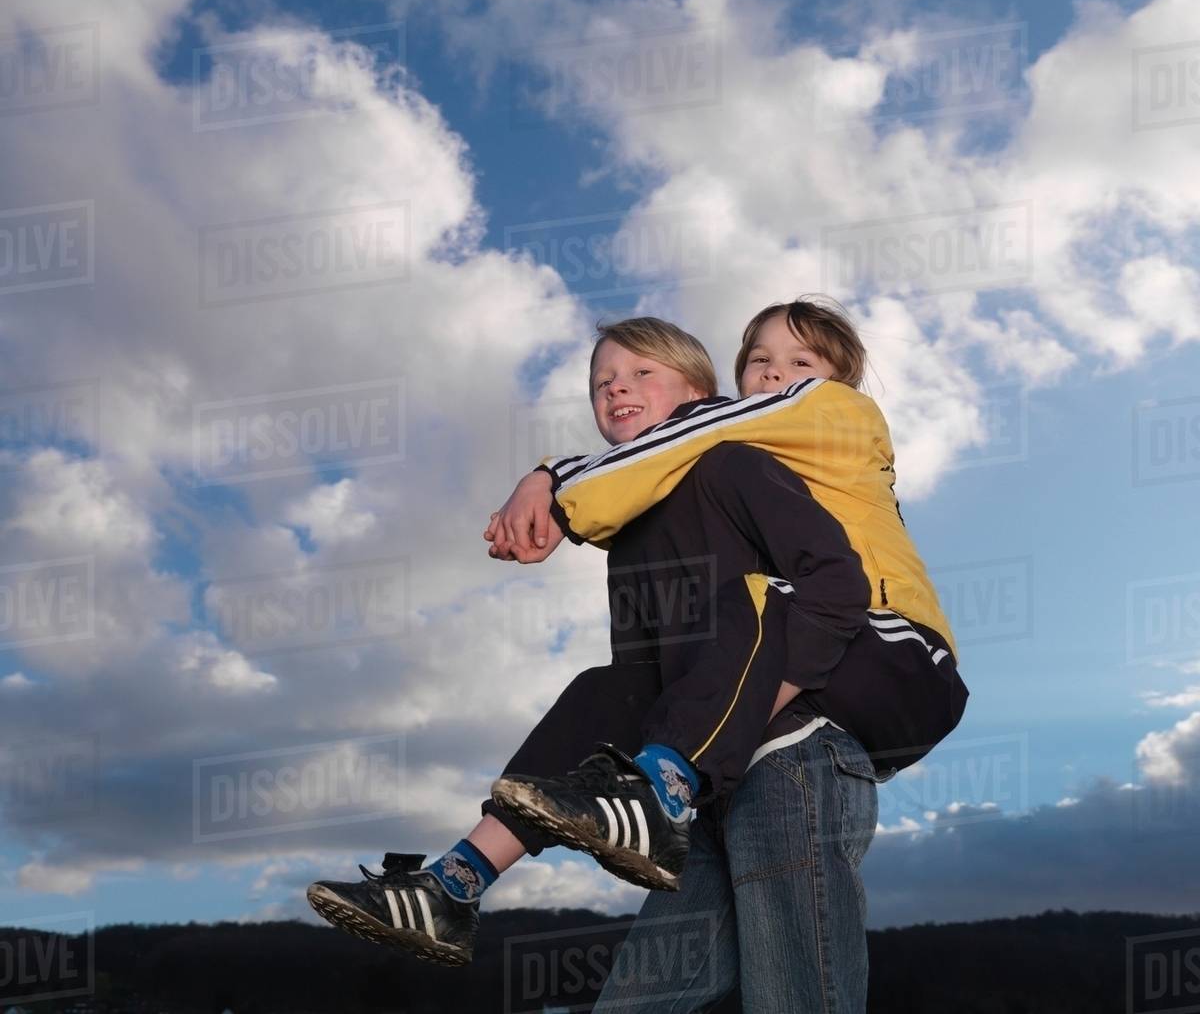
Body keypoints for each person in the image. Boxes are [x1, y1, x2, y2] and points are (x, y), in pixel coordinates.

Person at [308, 302, 966, 1003]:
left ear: (702, 394)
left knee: (793, 991)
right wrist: (549, 477)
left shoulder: (810, 425)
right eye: (760, 361)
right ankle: (458, 880)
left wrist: (553, 485)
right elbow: (654, 671)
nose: (776, 373)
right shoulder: (659, 508)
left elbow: (828, 581)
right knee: (617, 685)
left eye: (799, 362)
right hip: (731, 758)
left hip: (885, 654)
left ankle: (662, 787)